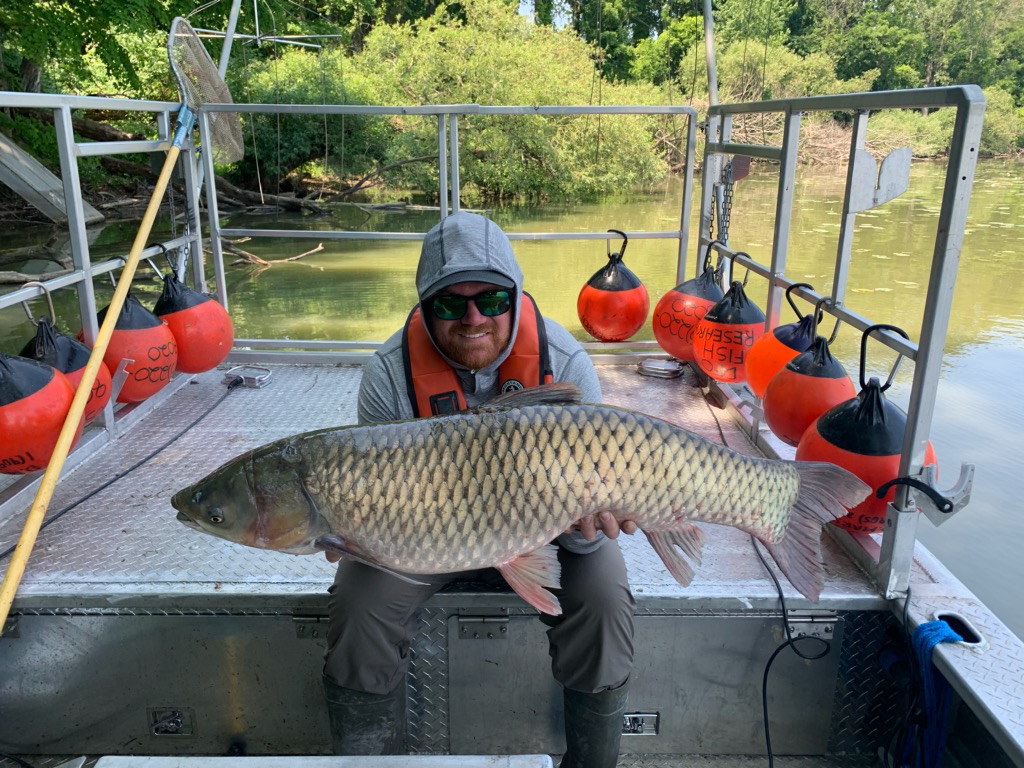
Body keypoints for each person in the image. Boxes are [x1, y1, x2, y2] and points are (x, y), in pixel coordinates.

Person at [322, 211, 637, 767]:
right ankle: (368, 760)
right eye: (449, 303)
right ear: (424, 305)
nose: (473, 318)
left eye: (491, 300)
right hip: (422, 533)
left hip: (550, 530)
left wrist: (594, 524)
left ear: (515, 296)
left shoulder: (565, 363)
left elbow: (593, 513)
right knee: (358, 604)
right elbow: (372, 500)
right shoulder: (388, 376)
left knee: (605, 596)